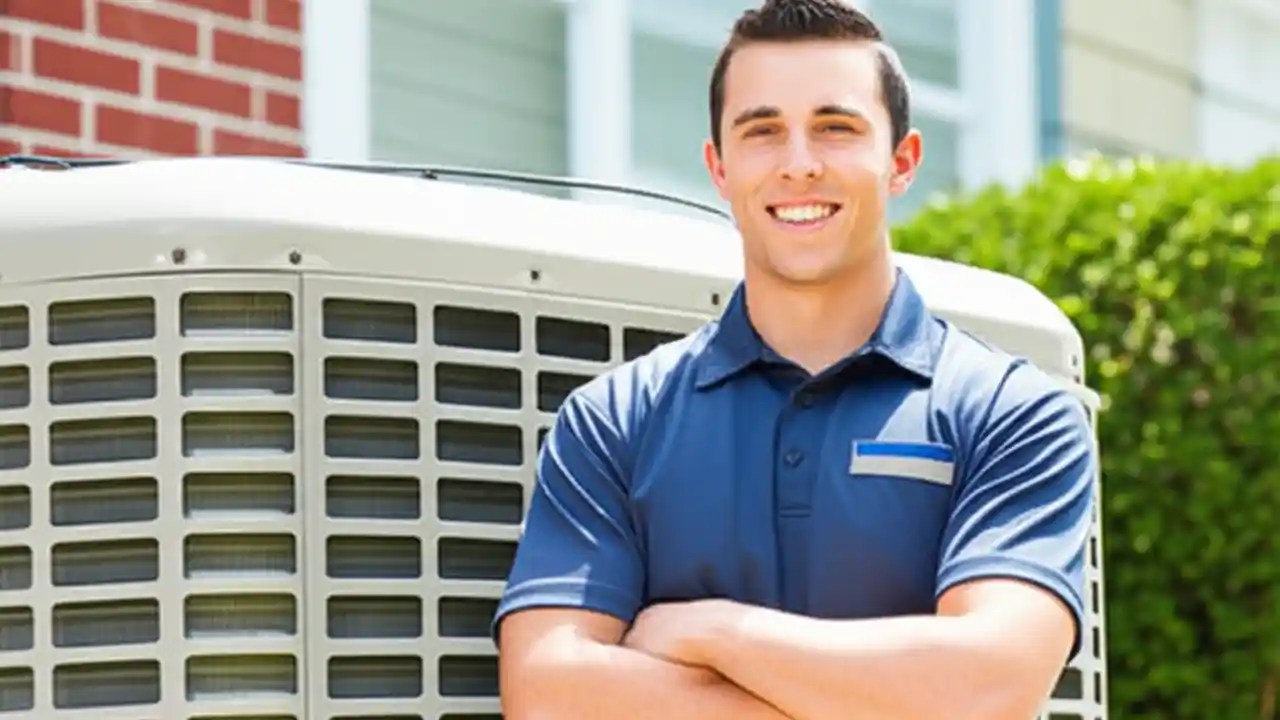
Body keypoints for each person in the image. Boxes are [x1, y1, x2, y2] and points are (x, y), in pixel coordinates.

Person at [493, 1, 1097, 717]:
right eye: (763, 131)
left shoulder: (1014, 414)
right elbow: (547, 693)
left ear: (902, 162)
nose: (799, 164)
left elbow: (990, 684)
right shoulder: (614, 422)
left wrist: (712, 630)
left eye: (836, 129)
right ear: (719, 166)